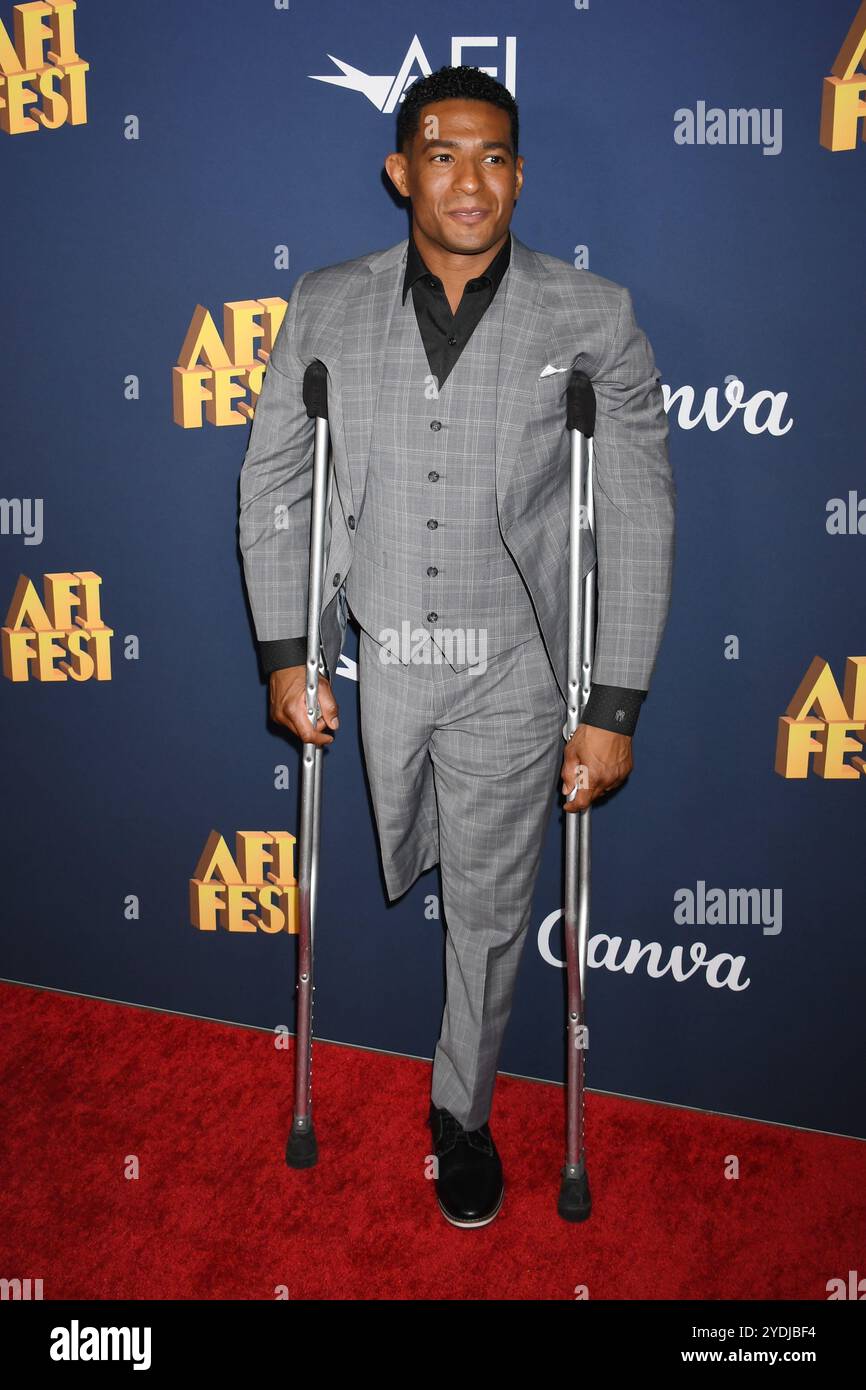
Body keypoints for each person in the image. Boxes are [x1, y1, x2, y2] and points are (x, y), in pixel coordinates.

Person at [238, 64, 675, 1229]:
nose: (467, 179)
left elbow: (631, 509)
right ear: (400, 172)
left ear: (519, 174)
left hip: (511, 666)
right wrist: (288, 648)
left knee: (484, 909)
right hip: (382, 651)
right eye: (440, 154)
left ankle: (462, 1115)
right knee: (396, 851)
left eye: (490, 157)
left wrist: (611, 703)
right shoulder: (325, 302)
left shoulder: (594, 316)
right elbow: (279, 477)